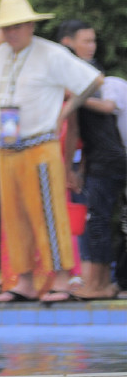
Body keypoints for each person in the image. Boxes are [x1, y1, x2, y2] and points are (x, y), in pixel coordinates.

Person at [0, 0, 101, 303]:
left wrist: (66, 109)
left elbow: (93, 80)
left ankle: (62, 279)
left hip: (40, 143)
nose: (12, 32)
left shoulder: (51, 53)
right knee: (13, 215)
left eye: (18, 25)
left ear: (31, 24)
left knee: (49, 213)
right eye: (7, 27)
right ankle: (23, 280)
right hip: (7, 146)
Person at [57, 20, 125, 300]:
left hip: (109, 161)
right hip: (100, 160)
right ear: (68, 43)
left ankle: (100, 284)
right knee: (100, 221)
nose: (91, 46)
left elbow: (77, 127)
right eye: (86, 41)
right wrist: (77, 168)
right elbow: (82, 130)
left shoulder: (89, 79)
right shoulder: (82, 78)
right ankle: (99, 283)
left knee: (97, 221)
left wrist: (75, 97)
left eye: (93, 41)